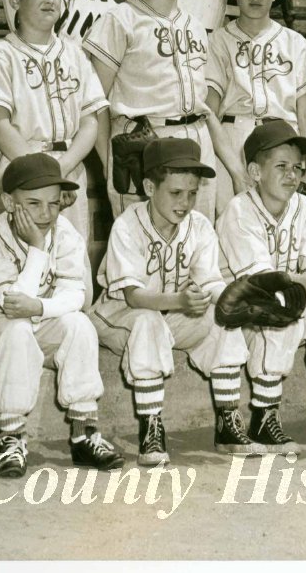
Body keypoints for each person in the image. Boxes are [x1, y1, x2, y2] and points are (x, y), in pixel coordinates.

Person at [0, 154, 123, 477]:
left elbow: (76, 294)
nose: (45, 214)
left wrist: (43, 308)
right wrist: (36, 248)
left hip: (39, 316)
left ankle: (84, 432)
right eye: (33, 203)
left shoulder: (65, 232)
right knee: (18, 329)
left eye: (53, 203)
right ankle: (12, 437)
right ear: (8, 201)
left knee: (79, 325)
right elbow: (13, 304)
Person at [91, 138, 248, 466]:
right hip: (117, 317)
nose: (186, 202)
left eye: (192, 193)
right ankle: (151, 427)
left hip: (171, 314)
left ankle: (228, 421)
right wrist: (179, 301)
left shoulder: (199, 226)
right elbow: (134, 297)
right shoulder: (127, 225)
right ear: (150, 186)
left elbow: (210, 282)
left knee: (224, 319)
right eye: (176, 192)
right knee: (148, 320)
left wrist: (235, 302)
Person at [217, 122, 306, 451]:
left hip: (279, 295)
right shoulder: (239, 210)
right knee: (281, 305)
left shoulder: (303, 206)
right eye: (281, 166)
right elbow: (260, 282)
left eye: (297, 167)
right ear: (255, 171)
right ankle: (263, 417)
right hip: (235, 309)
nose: (292, 175)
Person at [82, 0, 218, 220]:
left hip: (196, 139)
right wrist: (108, 160)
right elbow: (94, 104)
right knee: (139, 247)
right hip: (144, 140)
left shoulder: (195, 26)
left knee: (196, 244)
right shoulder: (119, 20)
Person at [0, 0, 106, 247]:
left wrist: (61, 172)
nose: (50, 2)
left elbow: (90, 122)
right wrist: (46, 178)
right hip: (18, 165)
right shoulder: (0, 54)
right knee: (12, 263)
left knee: (68, 265)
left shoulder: (74, 53)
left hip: (68, 166)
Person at [206, 0, 306, 213]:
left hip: (284, 140)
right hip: (234, 139)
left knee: (283, 235)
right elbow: (208, 112)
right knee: (233, 228)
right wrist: (236, 170)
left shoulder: (295, 43)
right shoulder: (218, 41)